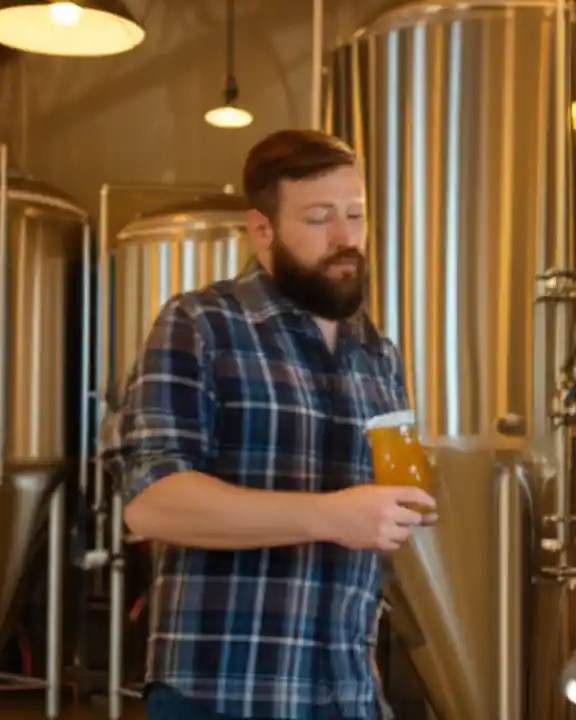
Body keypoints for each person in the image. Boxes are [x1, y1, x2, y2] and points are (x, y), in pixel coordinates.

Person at [115, 129, 436, 720]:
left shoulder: (377, 353)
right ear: (262, 229)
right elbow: (151, 503)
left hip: (347, 694)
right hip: (224, 694)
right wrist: (331, 515)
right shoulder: (201, 324)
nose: (346, 239)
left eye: (355, 215)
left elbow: (373, 525)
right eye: (319, 219)